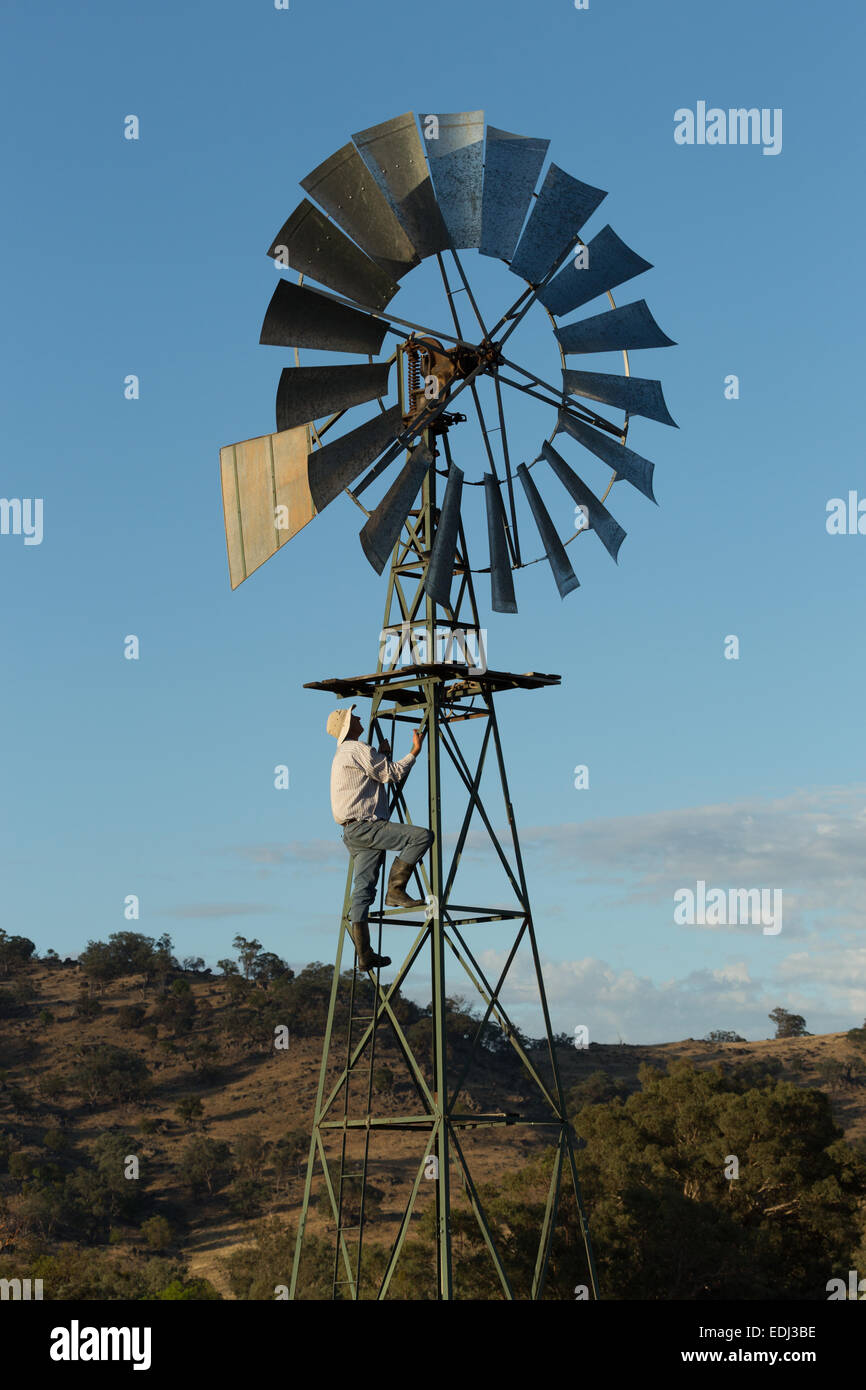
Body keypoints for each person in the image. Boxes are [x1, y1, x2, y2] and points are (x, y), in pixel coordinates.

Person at [327, 704, 433, 972]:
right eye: (354, 717)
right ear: (348, 726)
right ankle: (396, 891)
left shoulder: (342, 754)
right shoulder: (356, 748)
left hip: (352, 832)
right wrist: (414, 752)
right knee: (422, 837)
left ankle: (364, 955)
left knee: (362, 894)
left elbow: (373, 778)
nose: (360, 717)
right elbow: (393, 774)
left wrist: (382, 756)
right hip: (367, 826)